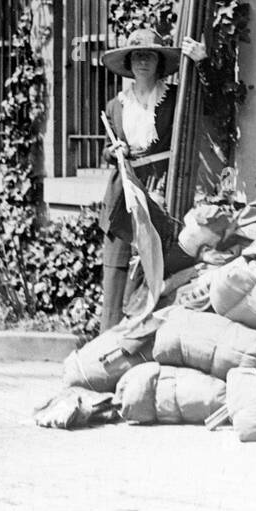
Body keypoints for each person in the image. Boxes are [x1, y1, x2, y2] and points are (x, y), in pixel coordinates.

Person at [98, 28, 206, 332]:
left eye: (149, 56)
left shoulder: (175, 97)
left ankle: (144, 336)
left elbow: (206, 103)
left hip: (159, 185)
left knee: (156, 262)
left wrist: (202, 63)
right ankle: (109, 338)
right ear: (129, 63)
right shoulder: (115, 105)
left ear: (159, 63)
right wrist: (112, 151)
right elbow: (105, 151)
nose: (143, 62)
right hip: (124, 190)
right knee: (117, 265)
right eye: (137, 56)